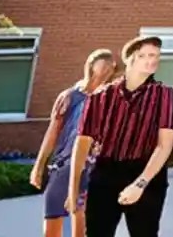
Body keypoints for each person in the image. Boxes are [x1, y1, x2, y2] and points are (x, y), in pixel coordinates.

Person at [69, 36, 173, 237]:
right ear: (129, 59)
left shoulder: (165, 95)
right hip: (105, 171)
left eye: (155, 55)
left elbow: (164, 145)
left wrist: (140, 184)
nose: (151, 60)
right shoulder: (101, 97)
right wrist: (73, 188)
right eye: (143, 56)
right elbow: (82, 141)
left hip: (146, 171)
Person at [30, 49, 116, 237]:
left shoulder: (108, 100)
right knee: (52, 223)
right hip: (62, 166)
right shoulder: (70, 96)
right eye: (104, 65)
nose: (107, 71)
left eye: (111, 68)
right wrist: (38, 166)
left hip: (90, 169)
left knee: (81, 225)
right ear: (91, 66)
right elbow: (52, 132)